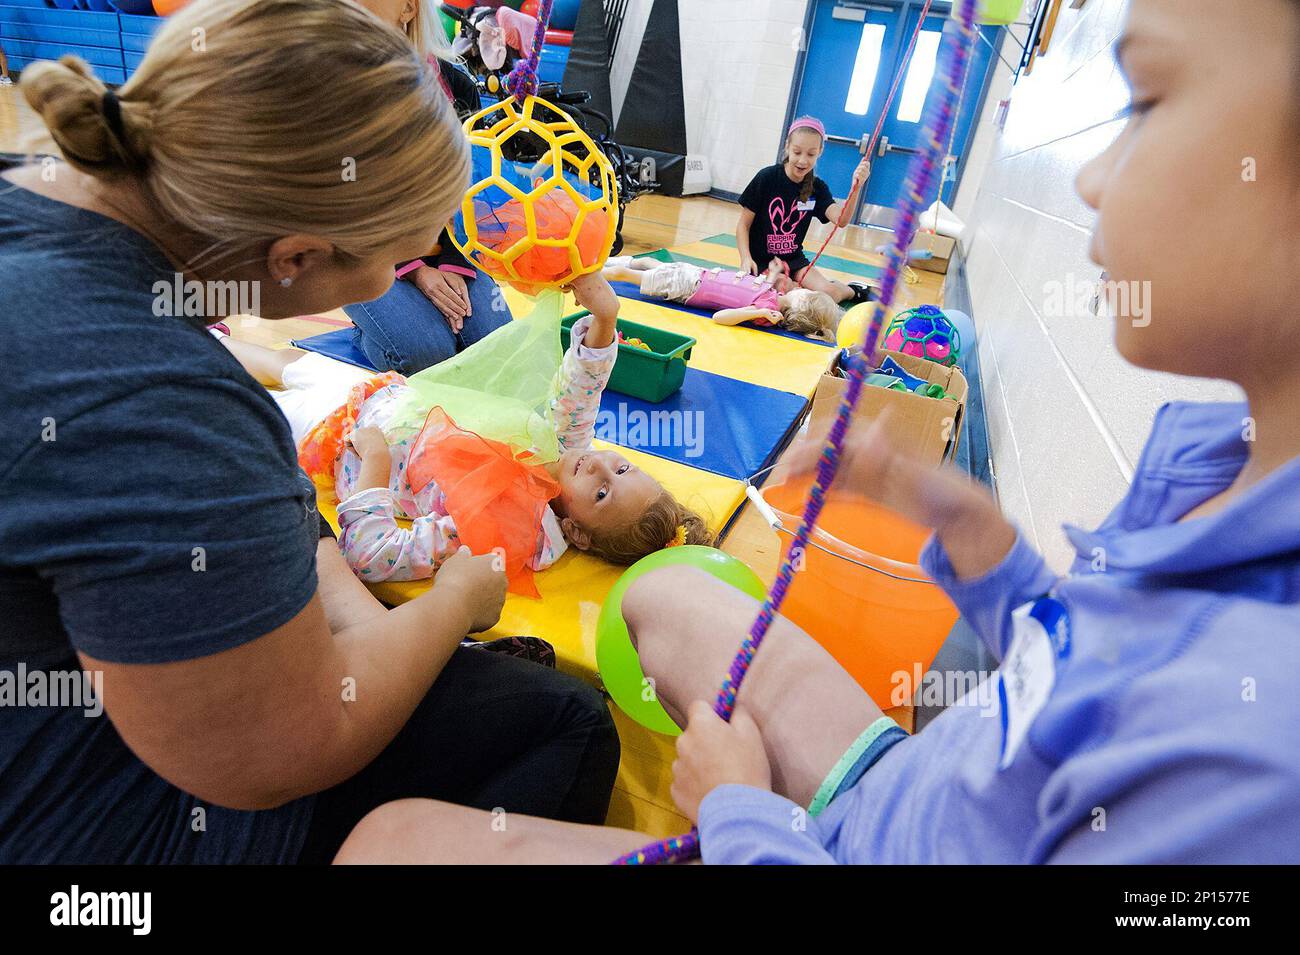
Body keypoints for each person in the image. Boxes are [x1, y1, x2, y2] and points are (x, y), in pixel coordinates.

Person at [333, 0, 1300, 864]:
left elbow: (478, 481)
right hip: (912, 788)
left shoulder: (1258, 749)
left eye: (1151, 101)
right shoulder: (1212, 463)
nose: (1089, 177)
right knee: (666, 589)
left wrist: (746, 815)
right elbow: (1074, 663)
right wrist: (958, 517)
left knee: (388, 840)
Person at [0, 0, 618, 865]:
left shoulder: (41, 205)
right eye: (394, 256)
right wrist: (455, 605)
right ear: (296, 257)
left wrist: (338, 582)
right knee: (566, 720)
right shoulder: (162, 405)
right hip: (83, 829)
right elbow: (287, 749)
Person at [224, 273, 713, 586]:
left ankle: (184, 352)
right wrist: (605, 318)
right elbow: (581, 392)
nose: (601, 465)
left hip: (341, 440)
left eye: (602, 493)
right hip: (387, 399)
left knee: (243, 404)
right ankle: (203, 335)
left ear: (577, 534)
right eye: (622, 467)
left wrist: (372, 463)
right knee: (292, 362)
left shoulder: (508, 527)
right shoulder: (567, 452)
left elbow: (374, 556)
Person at [347, 0, 514, 375]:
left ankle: (400, 316)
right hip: (365, 256)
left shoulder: (454, 85)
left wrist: (457, 263)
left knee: (495, 350)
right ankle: (366, 326)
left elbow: (475, 196)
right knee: (428, 354)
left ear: (408, 9)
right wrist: (416, 269)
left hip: (449, 250)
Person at [736, 116, 874, 306]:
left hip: (793, 259)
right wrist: (745, 258)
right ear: (787, 147)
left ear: (820, 152)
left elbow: (841, 220)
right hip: (762, 262)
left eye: (810, 154)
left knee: (829, 294)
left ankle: (853, 290)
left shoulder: (816, 188)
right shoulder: (766, 178)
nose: (802, 160)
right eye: (797, 152)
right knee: (782, 293)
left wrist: (856, 187)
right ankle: (793, 286)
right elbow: (743, 225)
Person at [603, 254, 844, 341]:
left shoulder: (767, 311)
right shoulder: (776, 297)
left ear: (802, 303)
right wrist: (774, 275)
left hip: (688, 287)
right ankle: (605, 260)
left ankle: (590, 273)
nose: (805, 288)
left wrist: (757, 313)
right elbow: (755, 290)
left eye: (810, 293)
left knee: (625, 275)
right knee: (649, 263)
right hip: (698, 275)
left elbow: (720, 317)